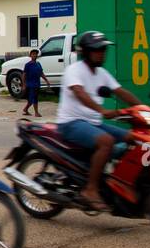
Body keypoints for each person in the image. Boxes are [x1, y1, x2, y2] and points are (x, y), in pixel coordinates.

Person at [56, 30, 143, 212]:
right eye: (97, 50)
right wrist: (102, 110)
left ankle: (122, 181)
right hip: (71, 123)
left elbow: (121, 91)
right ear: (86, 52)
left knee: (134, 138)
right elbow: (80, 93)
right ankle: (91, 189)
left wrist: (143, 109)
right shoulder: (74, 70)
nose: (101, 53)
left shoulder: (102, 73)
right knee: (106, 142)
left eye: (103, 50)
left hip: (92, 123)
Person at [22, 48, 51, 117]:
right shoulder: (28, 65)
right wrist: (24, 85)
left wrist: (46, 80)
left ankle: (25, 109)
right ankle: (36, 112)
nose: (34, 55)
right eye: (33, 54)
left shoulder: (38, 64)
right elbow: (24, 75)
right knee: (33, 99)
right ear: (30, 55)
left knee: (33, 98)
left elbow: (41, 73)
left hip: (37, 84)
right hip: (30, 84)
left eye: (36, 54)